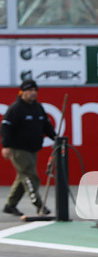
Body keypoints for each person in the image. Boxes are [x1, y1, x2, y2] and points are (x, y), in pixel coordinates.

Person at [1, 79, 56, 216]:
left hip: (33, 149)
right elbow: (6, 127)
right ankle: (39, 205)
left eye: (35, 90)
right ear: (22, 92)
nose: (33, 93)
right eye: (30, 90)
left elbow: (47, 126)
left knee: (23, 177)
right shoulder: (15, 108)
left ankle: (10, 205)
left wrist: (56, 138)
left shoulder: (38, 107)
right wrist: (6, 146)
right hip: (18, 149)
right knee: (31, 176)